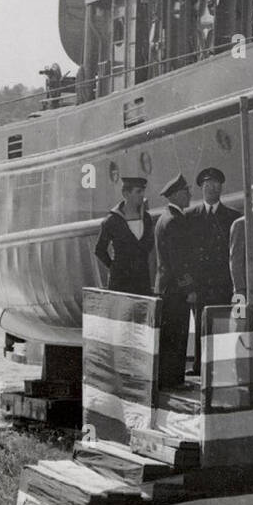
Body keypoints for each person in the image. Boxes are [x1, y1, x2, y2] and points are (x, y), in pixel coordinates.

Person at [190, 167, 236, 371]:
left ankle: (223, 365)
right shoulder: (191, 216)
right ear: (202, 189)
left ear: (221, 188)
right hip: (200, 283)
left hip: (223, 282)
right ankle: (200, 366)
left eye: (216, 185)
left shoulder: (232, 217)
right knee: (201, 323)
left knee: (224, 323)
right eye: (207, 185)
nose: (212, 189)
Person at [153, 173, 197, 389]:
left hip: (167, 287)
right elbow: (178, 261)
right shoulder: (174, 221)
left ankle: (169, 378)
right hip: (175, 289)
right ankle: (172, 380)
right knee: (176, 332)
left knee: (171, 333)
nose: (190, 195)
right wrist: (189, 287)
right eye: (187, 192)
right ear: (178, 195)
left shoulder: (165, 218)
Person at [94, 171, 155, 295]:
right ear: (126, 194)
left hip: (142, 281)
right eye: (138, 192)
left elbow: (149, 244)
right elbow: (99, 250)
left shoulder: (146, 218)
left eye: (143, 191)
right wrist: (115, 267)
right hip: (120, 283)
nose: (142, 195)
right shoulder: (112, 220)